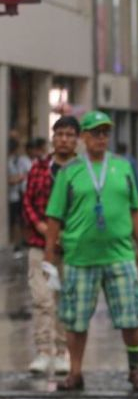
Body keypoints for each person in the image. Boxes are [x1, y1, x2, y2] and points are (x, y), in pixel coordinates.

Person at [44, 110, 138, 392]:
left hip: (120, 255)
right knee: (76, 320)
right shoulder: (70, 172)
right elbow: (54, 217)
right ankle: (75, 372)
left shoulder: (122, 167)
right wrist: (48, 260)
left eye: (106, 133)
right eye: (96, 133)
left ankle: (135, 369)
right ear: (84, 138)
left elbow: (135, 210)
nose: (102, 138)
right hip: (80, 257)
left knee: (132, 315)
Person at [21, 117, 78, 375]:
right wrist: (43, 229)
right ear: (53, 138)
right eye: (59, 134)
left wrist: (66, 234)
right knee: (42, 299)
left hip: (72, 248)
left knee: (67, 300)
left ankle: (64, 351)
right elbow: (27, 203)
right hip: (39, 245)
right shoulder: (39, 168)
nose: (64, 139)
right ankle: (44, 352)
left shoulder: (82, 170)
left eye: (69, 135)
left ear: (77, 139)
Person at [8, 138, 31, 255]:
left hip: (17, 195)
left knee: (19, 220)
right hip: (10, 197)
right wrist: (18, 178)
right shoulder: (6, 161)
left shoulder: (16, 160)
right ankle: (11, 243)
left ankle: (18, 243)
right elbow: (9, 180)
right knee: (12, 221)